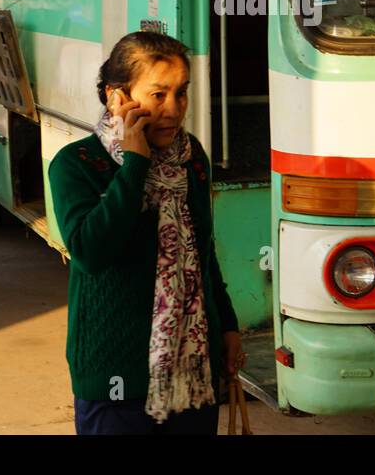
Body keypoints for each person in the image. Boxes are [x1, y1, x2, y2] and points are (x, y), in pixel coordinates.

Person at [49, 31, 243, 434]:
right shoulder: (77, 163)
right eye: (158, 95)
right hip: (115, 373)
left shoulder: (193, 160)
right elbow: (91, 251)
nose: (173, 109)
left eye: (181, 93)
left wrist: (227, 325)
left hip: (191, 370)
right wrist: (134, 165)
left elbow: (202, 252)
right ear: (115, 97)